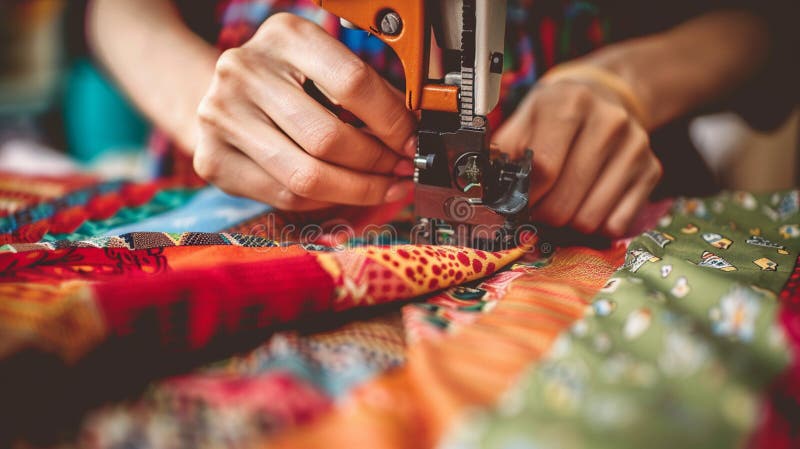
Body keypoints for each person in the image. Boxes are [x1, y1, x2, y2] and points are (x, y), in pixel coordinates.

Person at [86, 0, 796, 237]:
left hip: (613, 205)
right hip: (231, 208)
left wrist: (631, 84)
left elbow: (770, 22)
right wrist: (196, 95)